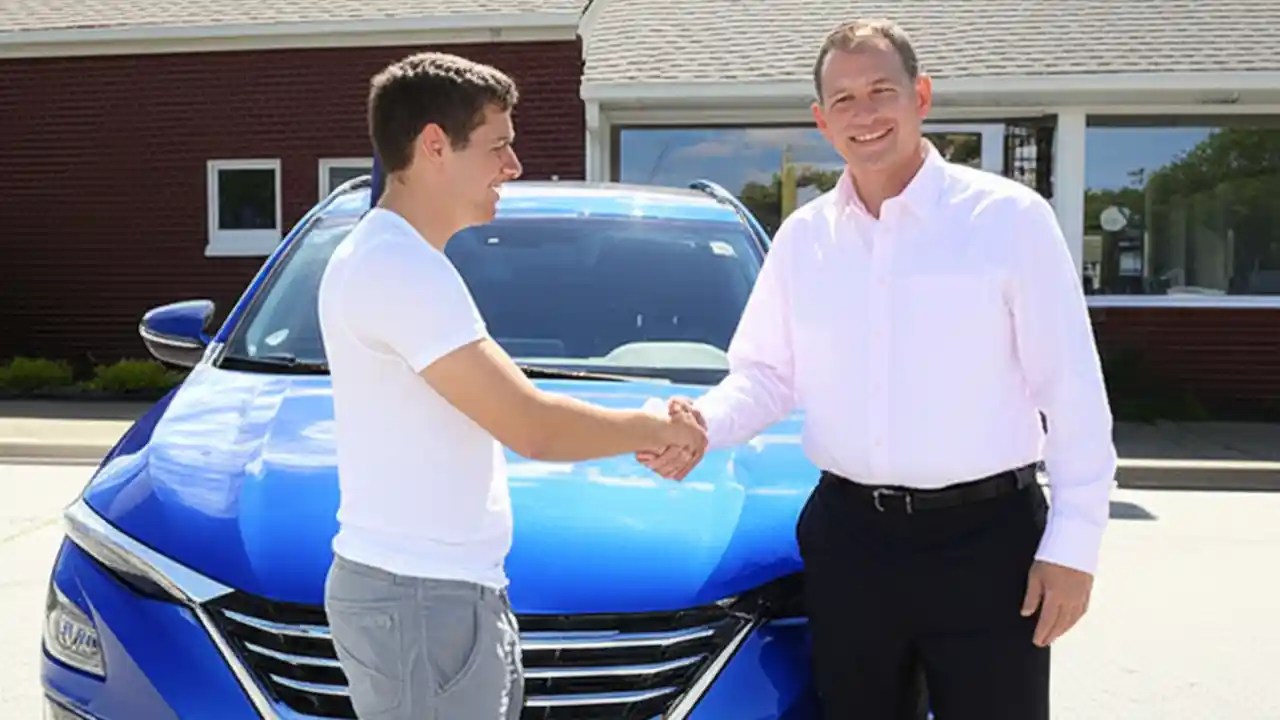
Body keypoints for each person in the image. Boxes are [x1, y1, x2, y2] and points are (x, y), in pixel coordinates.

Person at [640, 18, 1116, 720]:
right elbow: (767, 375)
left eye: (881, 91)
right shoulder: (805, 239)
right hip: (851, 542)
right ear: (821, 121)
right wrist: (702, 424)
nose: (864, 115)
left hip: (988, 545)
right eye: (844, 100)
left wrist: (1075, 545)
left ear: (920, 96)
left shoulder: (1009, 220)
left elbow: (1071, 392)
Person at [316, 52, 707, 720]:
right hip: (422, 600)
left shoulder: (397, 259)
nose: (514, 167)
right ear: (434, 146)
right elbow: (532, 426)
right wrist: (656, 427)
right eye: (498, 147)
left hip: (440, 596)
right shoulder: (398, 268)